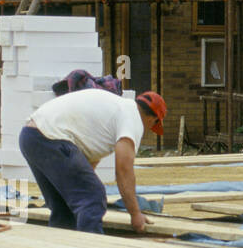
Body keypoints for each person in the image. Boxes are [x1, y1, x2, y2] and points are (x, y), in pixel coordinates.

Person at [19, 89, 166, 234]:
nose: (149, 129)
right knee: (92, 197)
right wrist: (135, 214)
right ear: (152, 118)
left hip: (30, 137)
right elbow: (123, 170)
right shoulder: (133, 117)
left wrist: (83, 184)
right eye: (153, 126)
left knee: (64, 205)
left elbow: (86, 166)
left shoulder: (114, 112)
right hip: (52, 137)